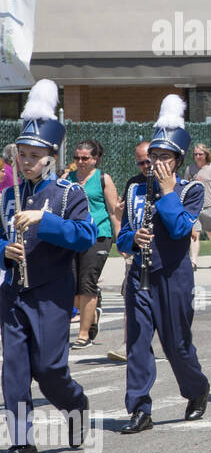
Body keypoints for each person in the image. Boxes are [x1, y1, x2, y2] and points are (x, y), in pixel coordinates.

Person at [1, 80, 97, 453]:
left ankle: (76, 405)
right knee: (15, 370)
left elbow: (85, 236)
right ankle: (22, 440)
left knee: (50, 370)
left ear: (50, 157)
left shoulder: (68, 193)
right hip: (13, 294)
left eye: (33, 155)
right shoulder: (7, 196)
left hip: (52, 294)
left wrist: (46, 219)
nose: (25, 161)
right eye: (21, 154)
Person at [116, 96, 211, 433]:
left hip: (174, 277)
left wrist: (168, 190)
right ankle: (139, 408)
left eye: (163, 157)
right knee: (138, 343)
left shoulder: (191, 190)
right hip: (139, 277)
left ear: (177, 160)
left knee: (177, 345)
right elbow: (123, 235)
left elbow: (181, 229)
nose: (155, 163)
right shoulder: (133, 190)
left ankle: (196, 388)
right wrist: (133, 240)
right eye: (152, 157)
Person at [68, 140, 121, 350]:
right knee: (71, 286)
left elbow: (113, 210)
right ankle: (94, 313)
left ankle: (83, 334)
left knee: (87, 282)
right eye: (77, 158)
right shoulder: (67, 178)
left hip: (99, 235)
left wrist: (121, 239)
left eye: (85, 158)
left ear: (95, 159)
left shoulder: (102, 178)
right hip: (72, 237)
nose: (80, 162)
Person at [107, 140, 152, 365]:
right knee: (131, 299)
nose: (145, 165)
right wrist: (125, 241)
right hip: (136, 252)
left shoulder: (173, 184)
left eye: (148, 160)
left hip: (164, 261)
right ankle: (130, 344)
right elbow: (124, 218)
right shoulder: (133, 184)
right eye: (140, 162)